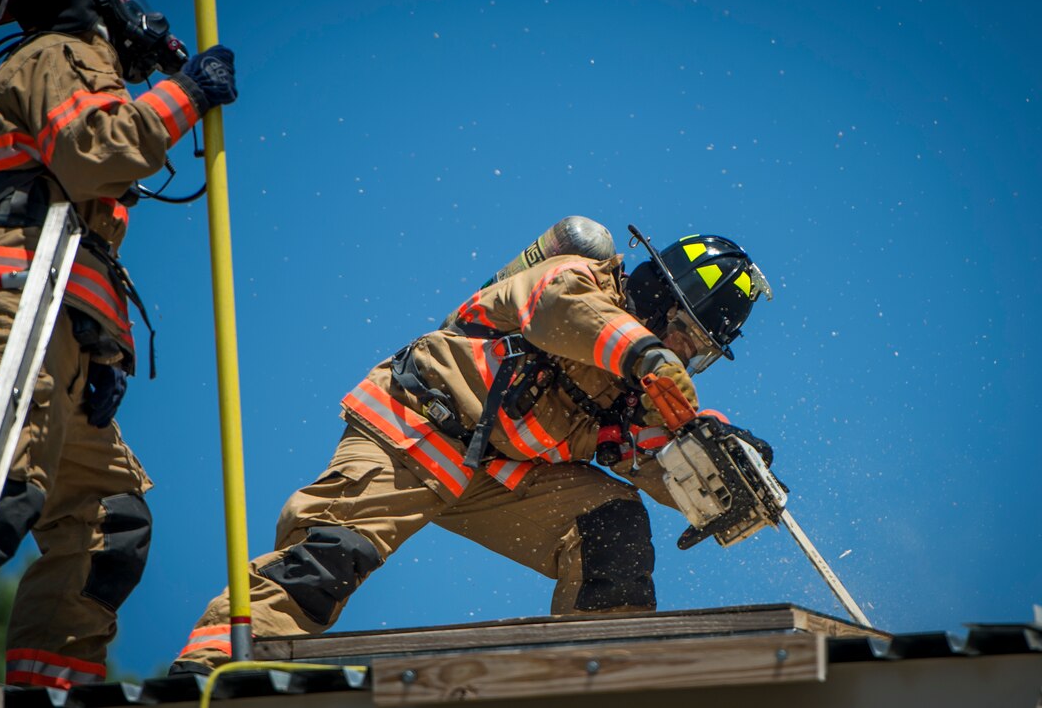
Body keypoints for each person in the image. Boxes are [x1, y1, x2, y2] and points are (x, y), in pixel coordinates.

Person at [172, 219, 772, 674]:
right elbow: (561, 310)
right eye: (687, 334)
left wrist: (728, 464)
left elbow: (664, 456)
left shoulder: (635, 387)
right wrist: (648, 355)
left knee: (612, 527)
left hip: (500, 477)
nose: (687, 355)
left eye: (700, 351)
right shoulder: (579, 278)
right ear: (661, 297)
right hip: (416, 430)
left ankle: (599, 676)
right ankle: (216, 663)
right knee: (332, 557)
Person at [0, 0, 237, 688]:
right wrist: (186, 93)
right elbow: (93, 151)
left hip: (61, 329)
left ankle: (48, 687)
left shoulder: (75, 61)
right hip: (12, 303)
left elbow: (82, 235)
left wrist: (104, 352)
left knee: (109, 520)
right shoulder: (56, 54)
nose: (138, 9)